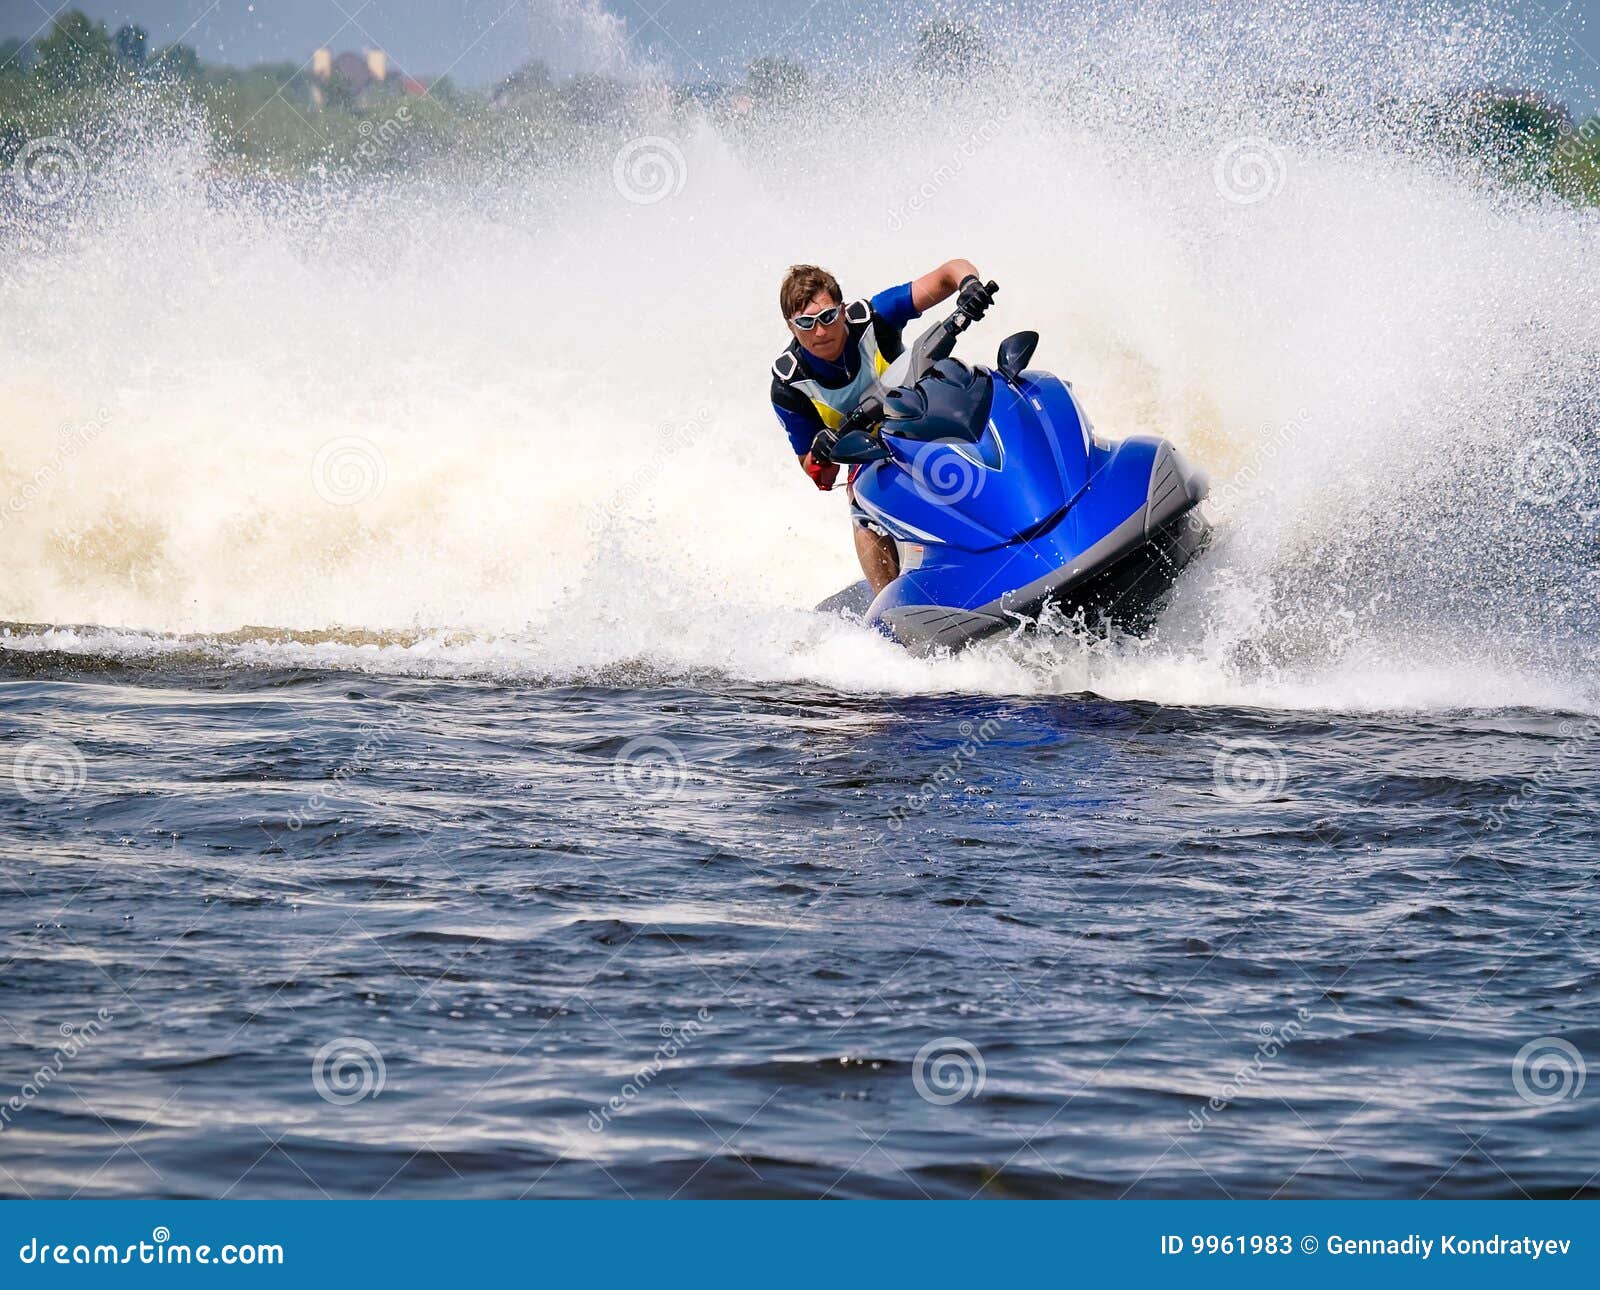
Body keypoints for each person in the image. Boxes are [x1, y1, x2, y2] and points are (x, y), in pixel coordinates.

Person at [771, 260, 991, 594]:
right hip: (873, 460)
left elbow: (951, 272)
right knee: (860, 503)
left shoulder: (878, 316)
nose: (820, 332)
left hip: (927, 423)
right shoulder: (789, 385)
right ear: (790, 326)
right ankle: (888, 605)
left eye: (828, 317)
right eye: (806, 323)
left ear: (842, 310)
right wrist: (820, 452)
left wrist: (969, 285)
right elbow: (818, 473)